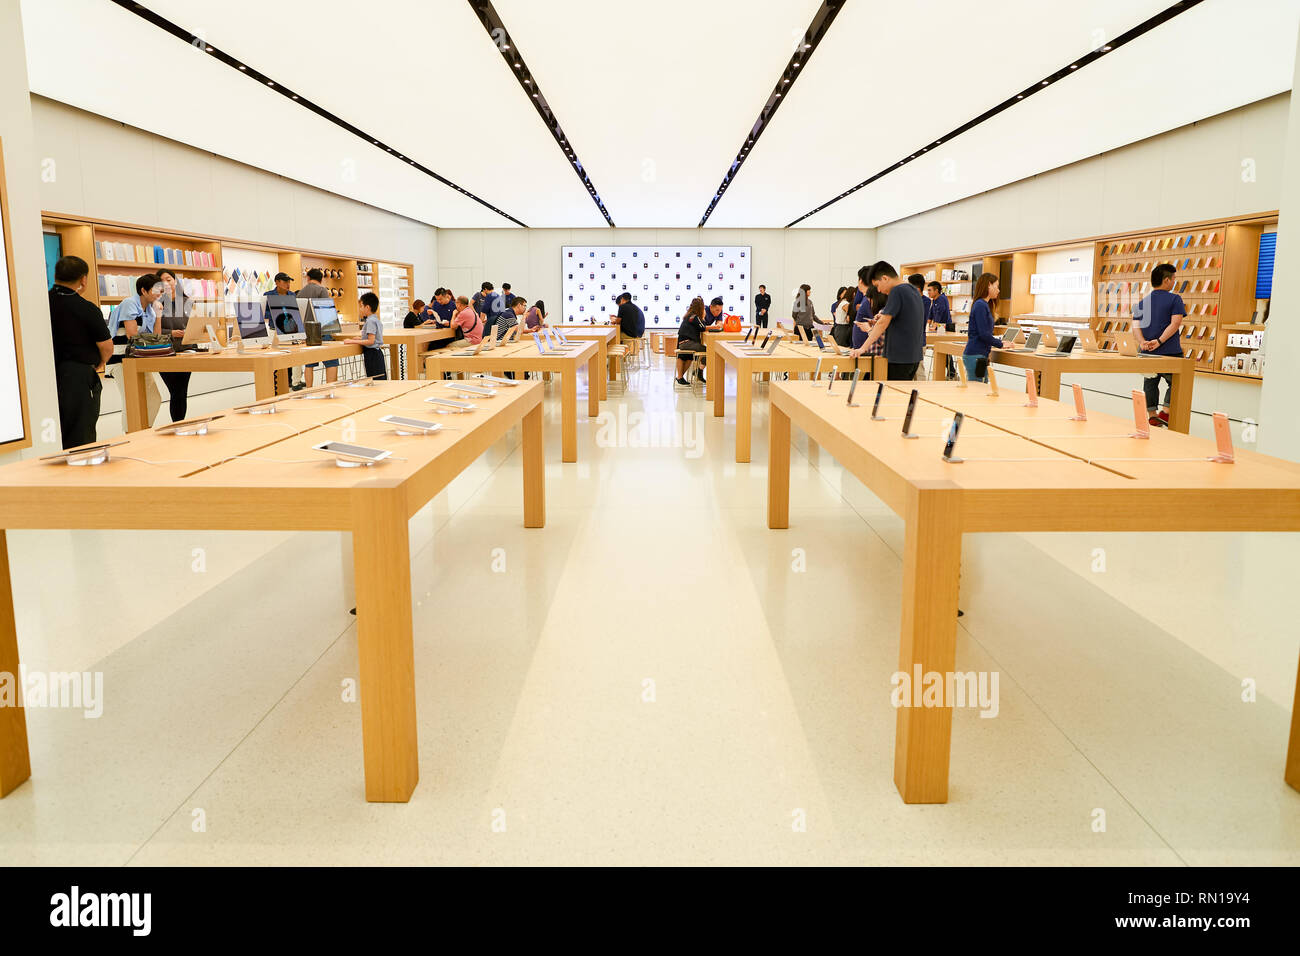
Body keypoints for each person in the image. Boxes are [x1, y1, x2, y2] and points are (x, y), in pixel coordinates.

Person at [49, 256, 112, 448]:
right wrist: (99, 364)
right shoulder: (86, 308)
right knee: (80, 431)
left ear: (55, 275)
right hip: (77, 375)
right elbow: (106, 346)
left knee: (51, 430)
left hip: (44, 374)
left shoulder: (42, 304)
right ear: (83, 279)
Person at [107, 273, 164, 428]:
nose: (160, 294)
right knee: (131, 401)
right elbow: (132, 334)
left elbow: (156, 337)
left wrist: (159, 316)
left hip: (138, 359)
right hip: (121, 359)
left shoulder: (151, 310)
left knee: (153, 399)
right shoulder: (129, 303)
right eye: (156, 290)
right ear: (144, 291)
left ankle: (143, 431)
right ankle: (132, 435)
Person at [1133, 262, 1185, 427]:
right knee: (1177, 382)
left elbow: (1135, 327)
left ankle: (1152, 415)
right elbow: (1175, 323)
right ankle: (1166, 412)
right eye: (1174, 278)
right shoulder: (1175, 298)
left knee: (1150, 381)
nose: (1174, 282)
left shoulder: (1142, 302)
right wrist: (1160, 341)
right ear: (1167, 280)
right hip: (1170, 351)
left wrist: (1143, 343)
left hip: (1146, 352)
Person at [856, 262, 926, 380]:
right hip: (913, 357)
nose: (878, 290)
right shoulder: (913, 290)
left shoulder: (897, 291)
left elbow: (882, 323)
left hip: (898, 358)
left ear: (885, 278)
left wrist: (863, 348)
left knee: (891, 396)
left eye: (877, 285)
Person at [156, 269, 194, 421]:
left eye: (169, 279)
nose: (166, 283)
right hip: (164, 352)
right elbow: (153, 331)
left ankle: (178, 423)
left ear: (175, 281)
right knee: (176, 390)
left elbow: (195, 325)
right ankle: (178, 423)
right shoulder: (156, 304)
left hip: (186, 351)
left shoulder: (188, 302)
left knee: (181, 390)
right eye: (161, 281)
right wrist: (171, 333)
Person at [961, 273, 1006, 382]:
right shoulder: (981, 305)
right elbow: (984, 334)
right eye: (997, 286)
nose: (998, 290)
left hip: (978, 354)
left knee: (979, 389)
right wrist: (1001, 344)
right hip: (976, 355)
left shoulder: (983, 304)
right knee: (977, 391)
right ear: (989, 285)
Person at [299, 268, 339, 389]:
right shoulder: (322, 290)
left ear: (308, 278)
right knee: (331, 361)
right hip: (321, 330)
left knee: (309, 364)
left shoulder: (300, 292)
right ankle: (330, 388)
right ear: (321, 279)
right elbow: (326, 312)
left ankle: (309, 389)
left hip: (306, 332)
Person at [346, 292, 387, 379]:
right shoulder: (375, 319)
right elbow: (372, 337)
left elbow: (371, 341)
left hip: (372, 355)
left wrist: (352, 341)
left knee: (375, 380)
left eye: (361, 306)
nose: (360, 309)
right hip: (376, 354)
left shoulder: (370, 321)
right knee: (379, 379)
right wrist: (359, 339)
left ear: (367, 307)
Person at [674, 297, 711, 386]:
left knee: (688, 357)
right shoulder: (695, 317)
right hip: (688, 343)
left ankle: (680, 377)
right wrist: (716, 327)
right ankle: (699, 371)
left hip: (682, 343)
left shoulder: (688, 316)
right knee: (710, 351)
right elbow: (702, 327)